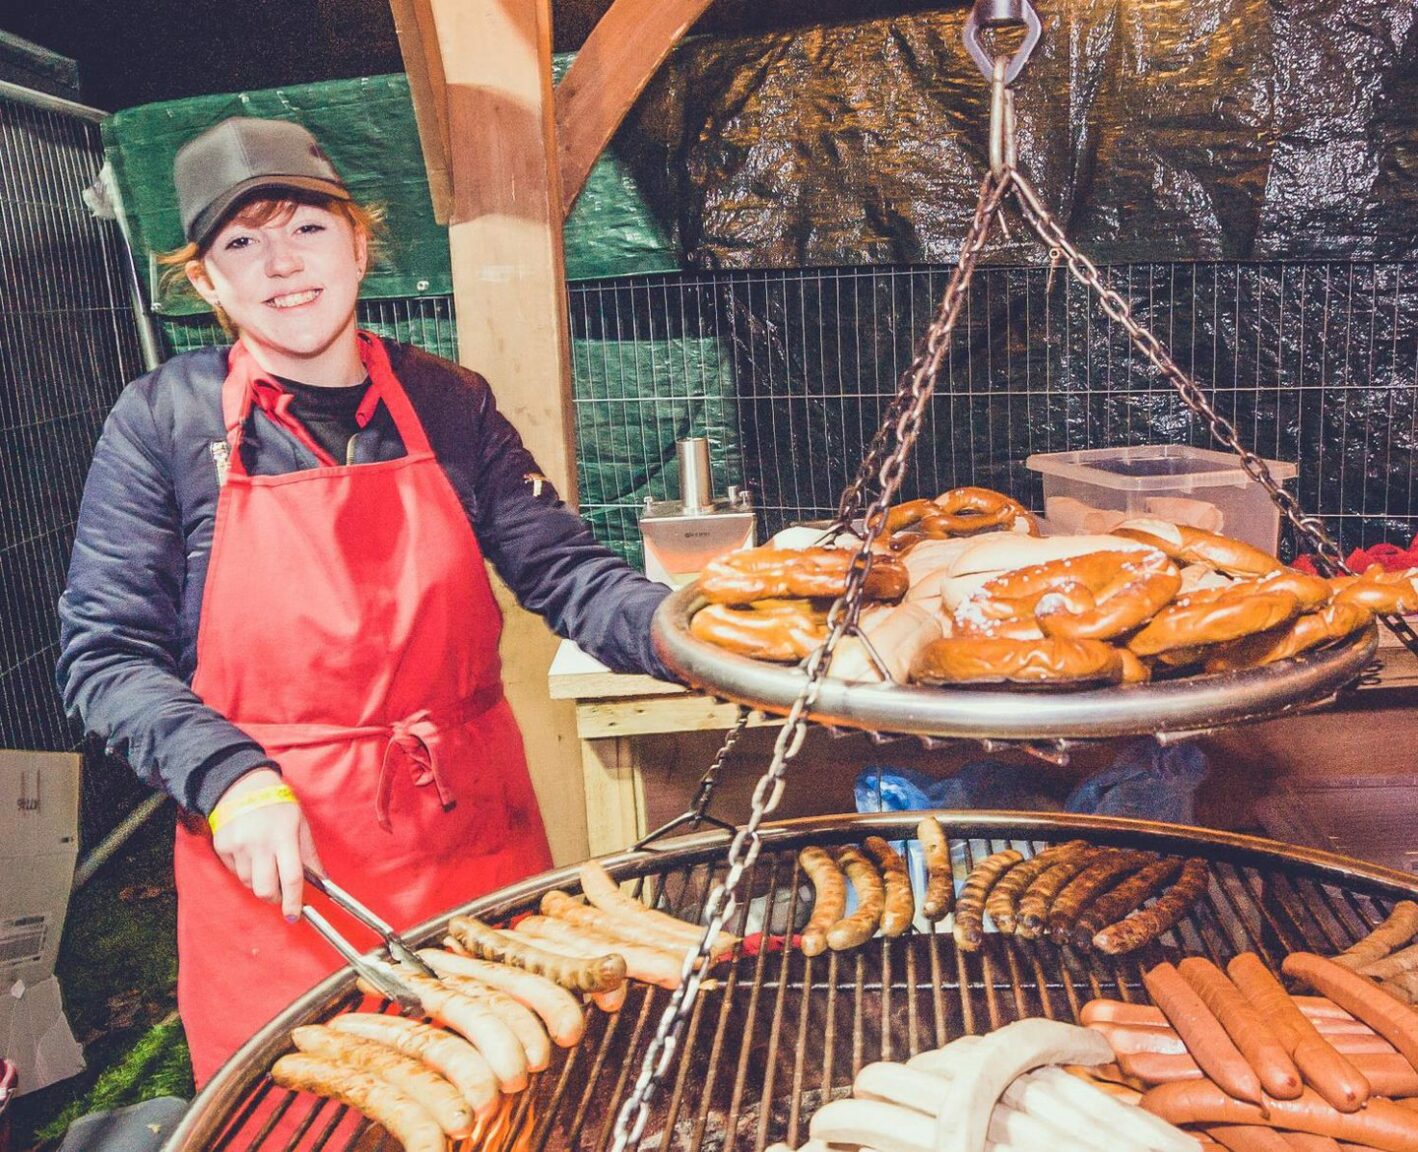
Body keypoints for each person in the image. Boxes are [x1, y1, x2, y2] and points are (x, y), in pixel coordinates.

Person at [57, 116, 674, 1086]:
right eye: (240, 244)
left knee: (512, 1098)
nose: (279, 264)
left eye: (304, 228)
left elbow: (565, 573)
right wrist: (226, 778)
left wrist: (684, 634)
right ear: (207, 283)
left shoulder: (446, 401)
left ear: (358, 243)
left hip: (474, 845)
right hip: (282, 878)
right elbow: (104, 656)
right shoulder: (164, 424)